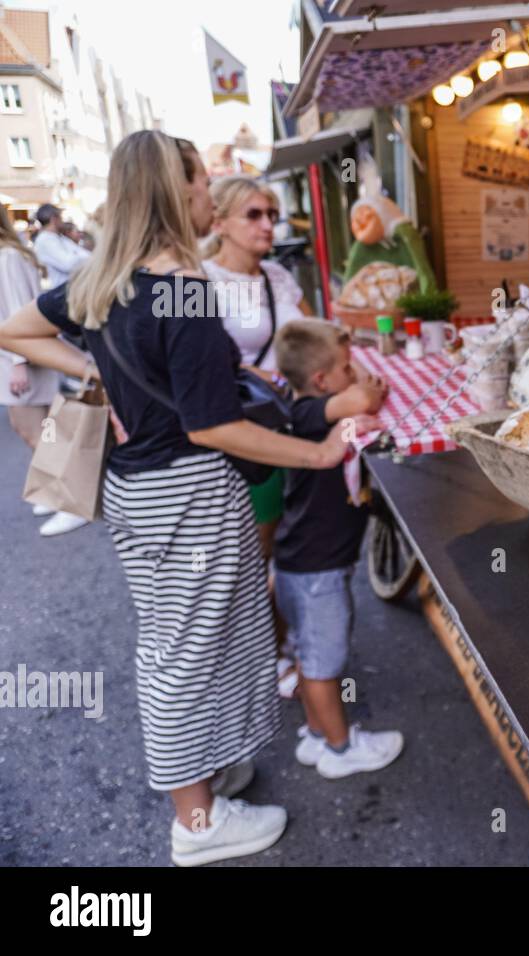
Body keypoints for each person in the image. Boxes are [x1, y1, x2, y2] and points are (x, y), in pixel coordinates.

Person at [0, 130, 367, 866]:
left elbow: (16, 329)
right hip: (186, 494)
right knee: (183, 654)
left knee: (189, 644)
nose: (209, 193)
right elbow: (213, 427)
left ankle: (206, 777)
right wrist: (320, 452)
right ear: (177, 190)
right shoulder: (183, 287)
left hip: (138, 490)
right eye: (201, 183)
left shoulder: (109, 276)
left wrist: (99, 366)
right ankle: (195, 822)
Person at [271, 318, 404, 779]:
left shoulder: (302, 408)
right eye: (348, 368)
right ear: (323, 381)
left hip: (296, 563)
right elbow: (362, 402)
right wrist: (358, 401)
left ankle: (315, 733)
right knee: (324, 663)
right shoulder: (312, 417)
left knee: (311, 655)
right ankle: (341, 749)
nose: (355, 374)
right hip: (317, 570)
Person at [202, 175, 311, 696]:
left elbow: (312, 341)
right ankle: (274, 652)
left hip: (296, 423)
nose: (268, 224)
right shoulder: (198, 283)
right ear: (218, 221)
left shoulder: (277, 276)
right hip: (247, 438)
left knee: (299, 544)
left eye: (271, 213)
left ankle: (295, 643)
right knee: (259, 553)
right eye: (253, 215)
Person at [1, 203, 76, 534]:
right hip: (16, 356)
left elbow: (19, 310)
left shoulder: (7, 257)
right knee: (40, 429)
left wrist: (19, 363)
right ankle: (55, 492)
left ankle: (71, 501)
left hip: (19, 358)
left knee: (38, 431)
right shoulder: (10, 254)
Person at [32, 203, 90, 288]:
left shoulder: (58, 237)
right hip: (62, 293)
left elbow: (83, 254)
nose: (62, 220)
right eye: (60, 217)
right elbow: (69, 264)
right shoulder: (45, 240)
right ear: (54, 219)